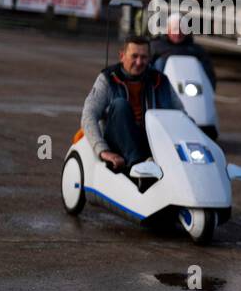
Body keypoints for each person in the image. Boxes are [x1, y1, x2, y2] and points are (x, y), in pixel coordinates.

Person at [81, 34, 182, 174]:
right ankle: (139, 163)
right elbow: (88, 115)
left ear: (149, 58)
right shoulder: (107, 78)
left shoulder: (160, 80)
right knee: (120, 105)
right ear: (122, 56)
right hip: (117, 142)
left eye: (144, 57)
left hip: (153, 142)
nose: (139, 62)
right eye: (134, 56)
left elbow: (181, 116)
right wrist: (102, 150)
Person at [151, 12, 217, 87]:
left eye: (182, 29)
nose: (178, 33)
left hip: (189, 87)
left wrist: (210, 88)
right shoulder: (156, 46)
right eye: (174, 29)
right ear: (168, 30)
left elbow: (208, 72)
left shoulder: (196, 50)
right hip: (163, 85)